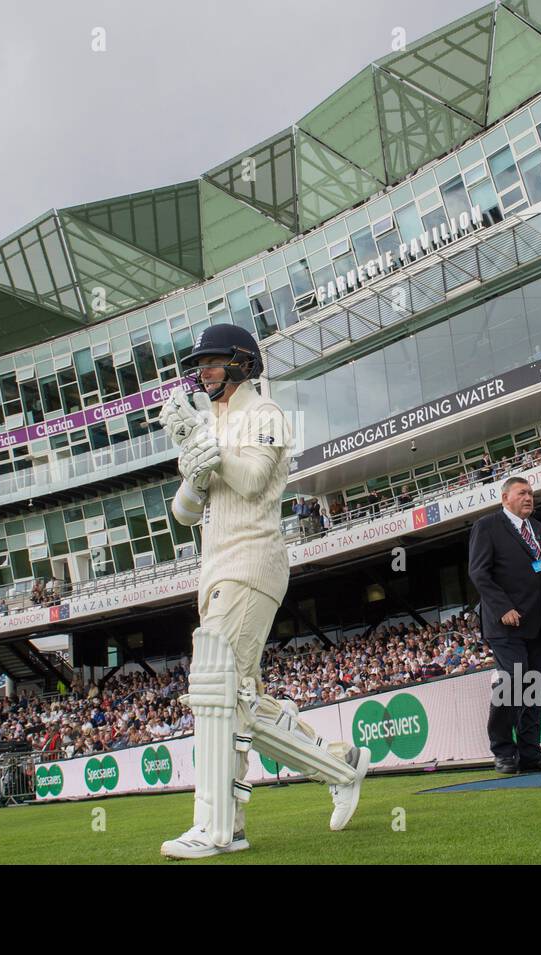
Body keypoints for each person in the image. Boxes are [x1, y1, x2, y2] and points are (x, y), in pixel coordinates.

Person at [156, 323, 369, 859]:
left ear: (243, 362)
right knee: (239, 697)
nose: (202, 371)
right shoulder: (212, 422)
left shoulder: (265, 415)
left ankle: (220, 827)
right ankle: (339, 764)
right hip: (213, 569)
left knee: (216, 690)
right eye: (198, 364)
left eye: (213, 361)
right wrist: (194, 470)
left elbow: (251, 481)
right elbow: (183, 516)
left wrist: (210, 451)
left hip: (252, 562)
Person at [467, 476, 541, 774]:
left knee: (533, 690)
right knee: (513, 682)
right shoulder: (487, 526)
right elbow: (479, 573)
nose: (529, 498)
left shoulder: (540, 530)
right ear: (505, 498)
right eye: (522, 493)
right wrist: (503, 607)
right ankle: (502, 751)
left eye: (531, 493)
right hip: (506, 624)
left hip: (539, 624)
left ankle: (530, 755)